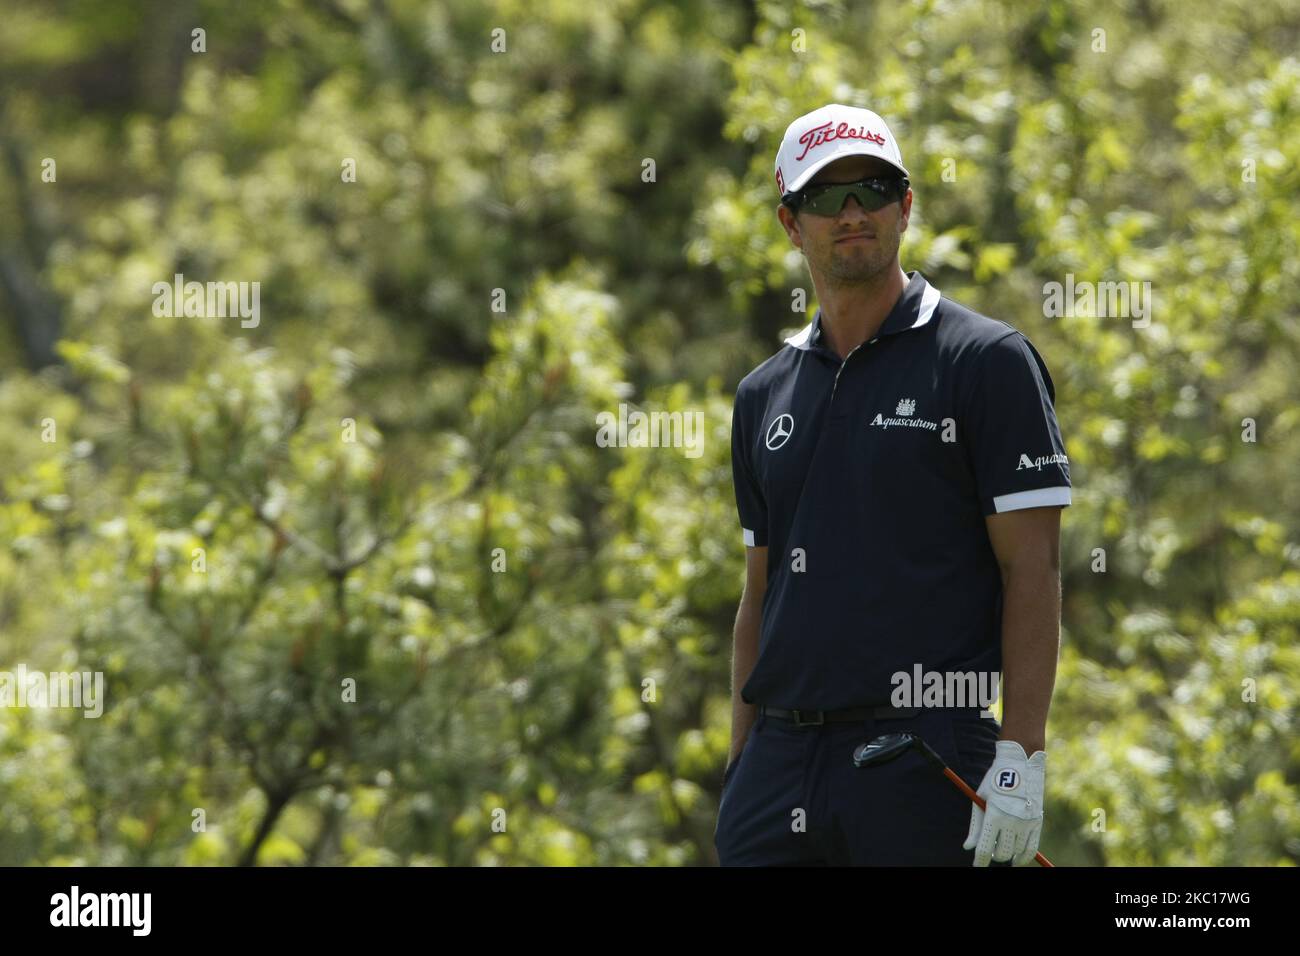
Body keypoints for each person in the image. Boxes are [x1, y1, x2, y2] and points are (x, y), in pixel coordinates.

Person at [714, 103, 1071, 866]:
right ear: (790, 222)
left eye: (873, 189)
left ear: (904, 207)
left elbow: (1032, 569)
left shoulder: (986, 361)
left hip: (925, 747)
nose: (852, 212)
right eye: (824, 196)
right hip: (779, 769)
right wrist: (741, 764)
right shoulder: (761, 393)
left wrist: (1022, 757)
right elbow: (759, 591)